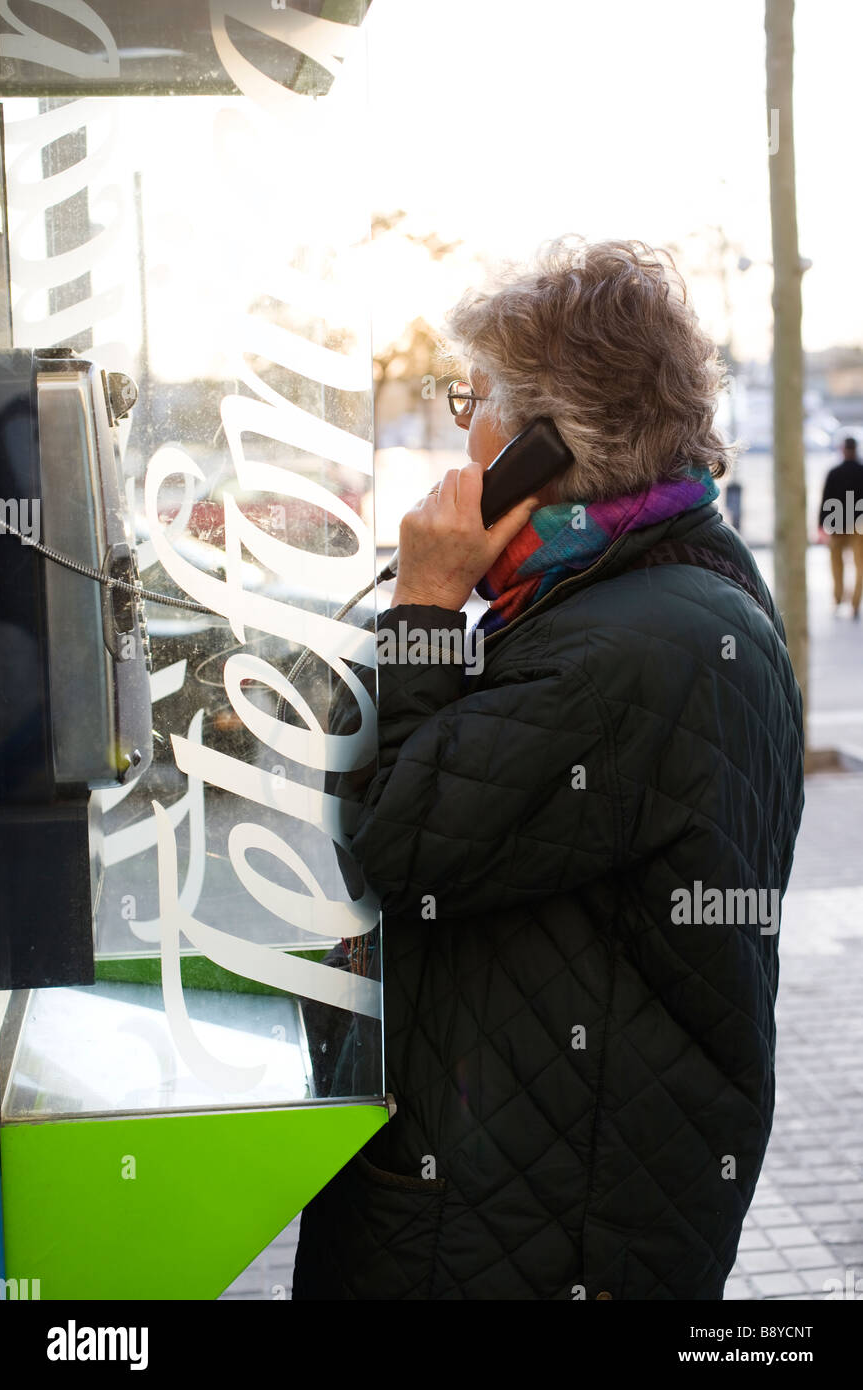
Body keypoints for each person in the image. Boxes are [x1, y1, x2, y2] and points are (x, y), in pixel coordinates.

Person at [291, 236, 805, 1301]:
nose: (458, 429)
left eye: (471, 402)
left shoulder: (617, 654)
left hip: (517, 1233)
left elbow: (397, 836)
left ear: (542, 441)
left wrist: (426, 607)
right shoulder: (667, 586)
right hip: (544, 1192)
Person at [818, 436, 863, 618]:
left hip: (836, 524)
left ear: (843, 450)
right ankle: (855, 604)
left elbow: (825, 499)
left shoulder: (834, 472)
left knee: (836, 566)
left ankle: (837, 600)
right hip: (859, 526)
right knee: (860, 566)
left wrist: (821, 524)